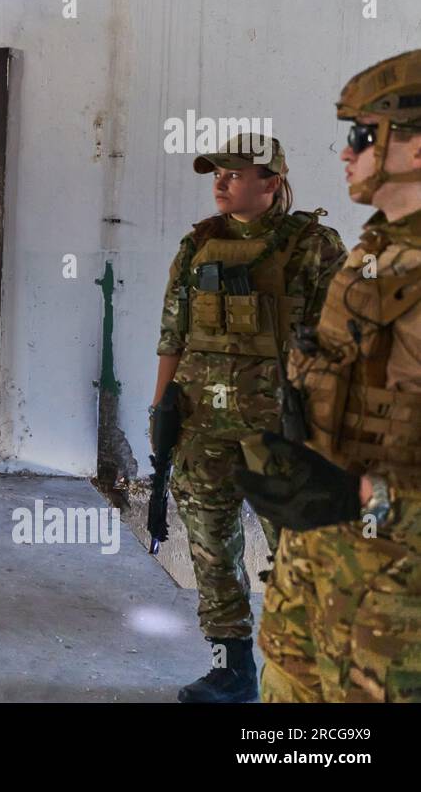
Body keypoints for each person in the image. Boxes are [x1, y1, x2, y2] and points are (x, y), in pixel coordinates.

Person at [238, 51, 421, 702]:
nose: (346, 152)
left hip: (394, 602)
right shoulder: (371, 257)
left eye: (364, 136)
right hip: (316, 567)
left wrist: (367, 498)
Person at [152, 133, 345, 702]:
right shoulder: (198, 244)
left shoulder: (315, 246)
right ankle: (231, 669)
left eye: (235, 174)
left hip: (283, 428)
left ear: (272, 182)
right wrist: (161, 408)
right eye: (217, 173)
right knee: (210, 547)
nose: (221, 183)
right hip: (200, 423)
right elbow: (173, 335)